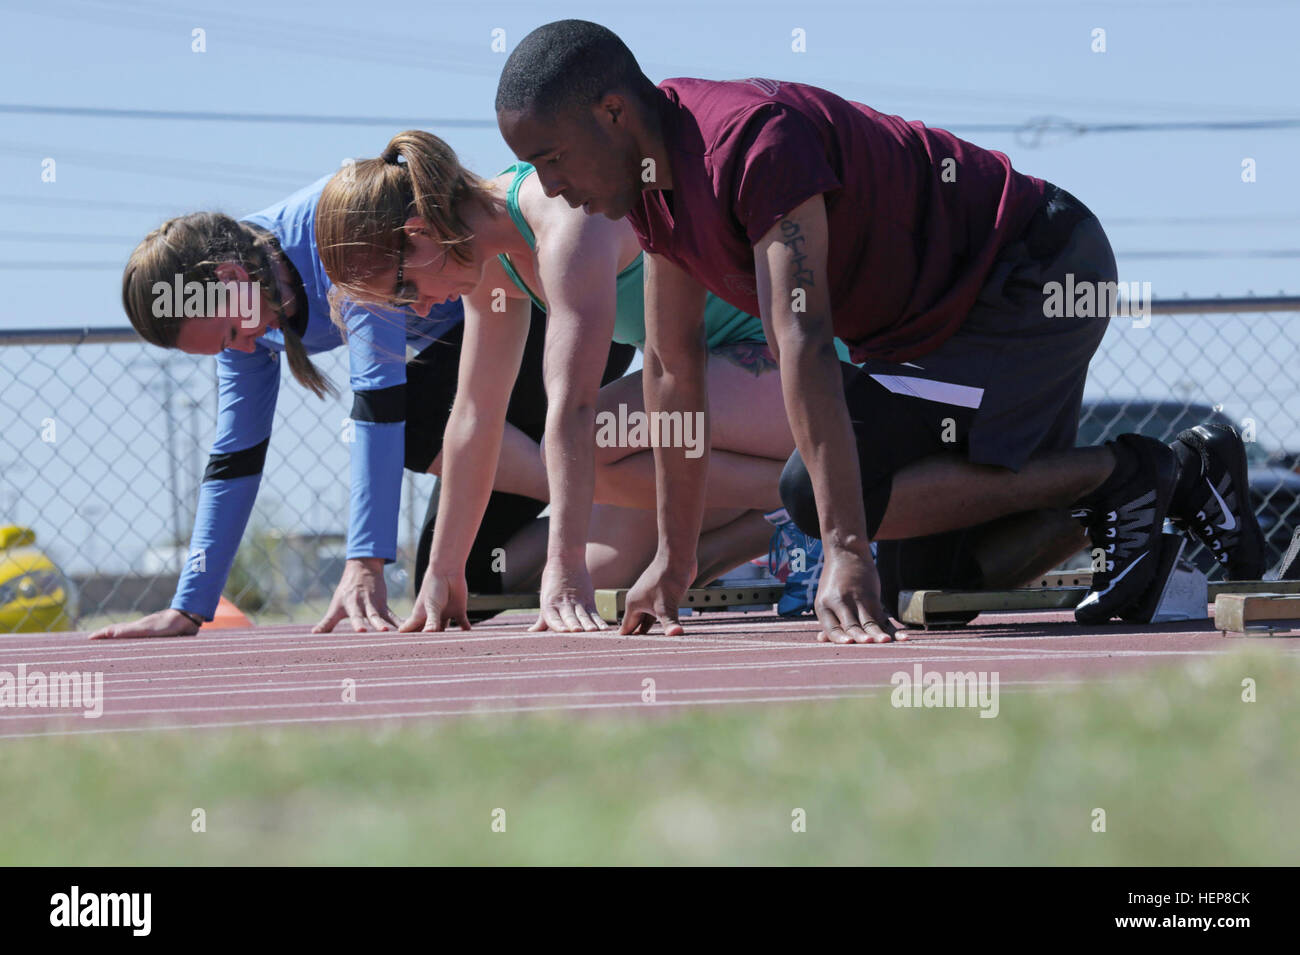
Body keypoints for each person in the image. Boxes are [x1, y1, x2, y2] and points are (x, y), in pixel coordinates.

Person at [493, 20, 1265, 643]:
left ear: (614, 113)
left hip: (1030, 275)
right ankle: (1169, 481)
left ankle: (1143, 470)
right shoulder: (651, 193)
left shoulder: (751, 142)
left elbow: (802, 339)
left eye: (552, 158)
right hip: (930, 335)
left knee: (821, 499)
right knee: (938, 586)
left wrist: (844, 548)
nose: (551, 185)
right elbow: (671, 371)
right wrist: (676, 556)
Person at [315, 131, 850, 630]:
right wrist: (443, 569)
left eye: (404, 290)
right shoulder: (495, 258)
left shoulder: (564, 220)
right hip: (732, 384)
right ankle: (812, 506)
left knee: (586, 437)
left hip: (811, 372)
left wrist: (566, 569)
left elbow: (573, 405)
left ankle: (835, 500)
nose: (419, 310)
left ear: (419, 235)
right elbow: (475, 414)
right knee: (589, 460)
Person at [91, 174, 625, 639]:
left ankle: (614, 493)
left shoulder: (342, 235)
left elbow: (379, 398)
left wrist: (365, 562)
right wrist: (188, 607)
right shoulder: (249, 311)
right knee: (464, 579)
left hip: (548, 322)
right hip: (477, 370)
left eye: (231, 333)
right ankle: (665, 521)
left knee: (417, 421)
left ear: (230, 280)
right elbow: (235, 455)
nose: (241, 351)